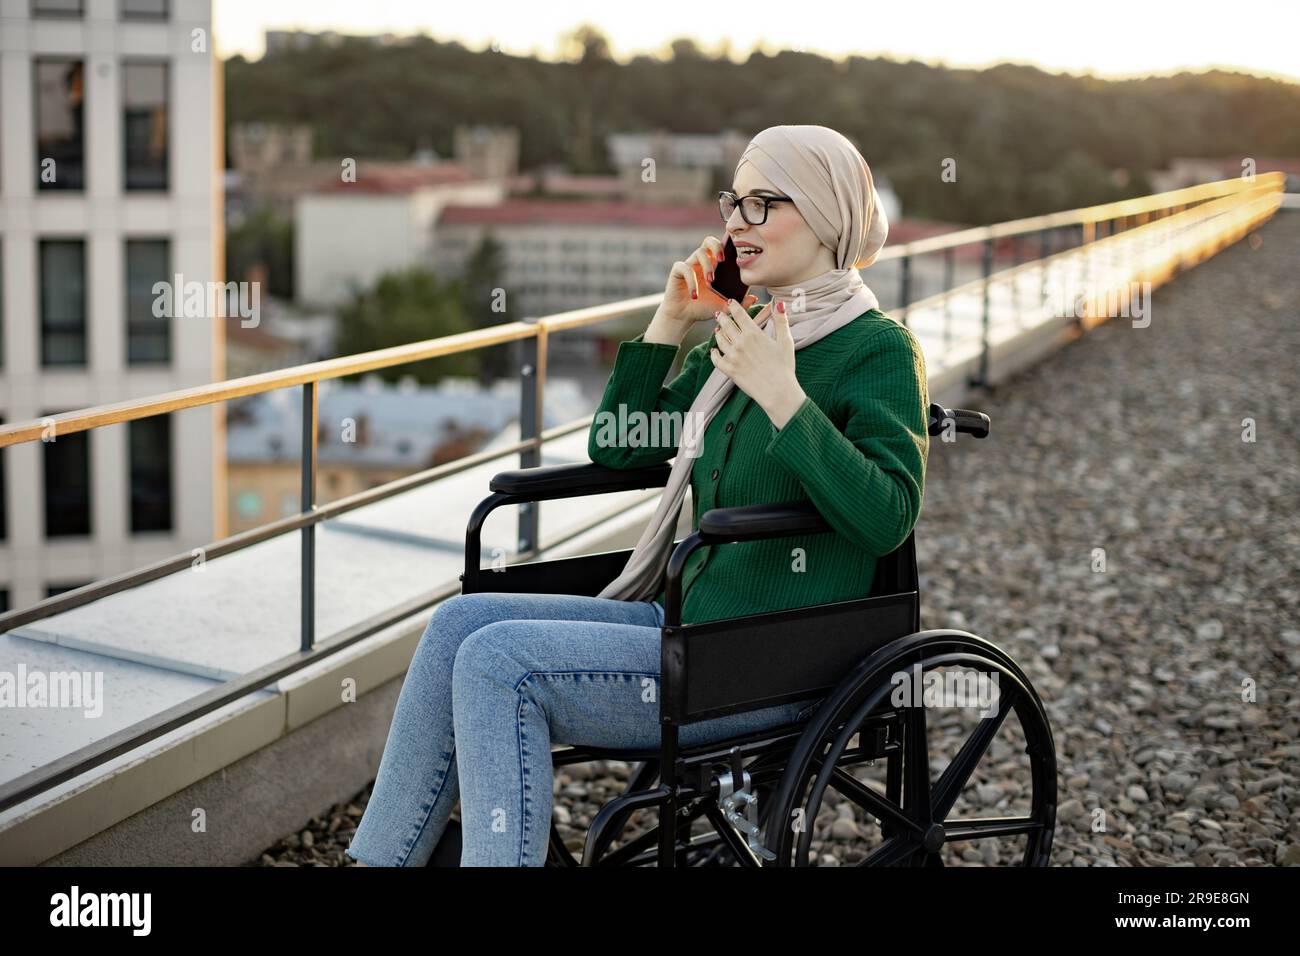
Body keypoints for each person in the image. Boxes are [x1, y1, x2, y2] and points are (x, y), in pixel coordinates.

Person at [345, 124, 929, 867]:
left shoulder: (877, 348)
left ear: (823, 214)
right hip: (691, 621)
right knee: (460, 623)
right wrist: (672, 320)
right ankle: (376, 862)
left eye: (761, 205)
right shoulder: (743, 329)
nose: (734, 223)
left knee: (500, 662)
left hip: (768, 657)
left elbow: (886, 517)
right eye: (733, 202)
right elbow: (623, 442)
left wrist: (784, 396)